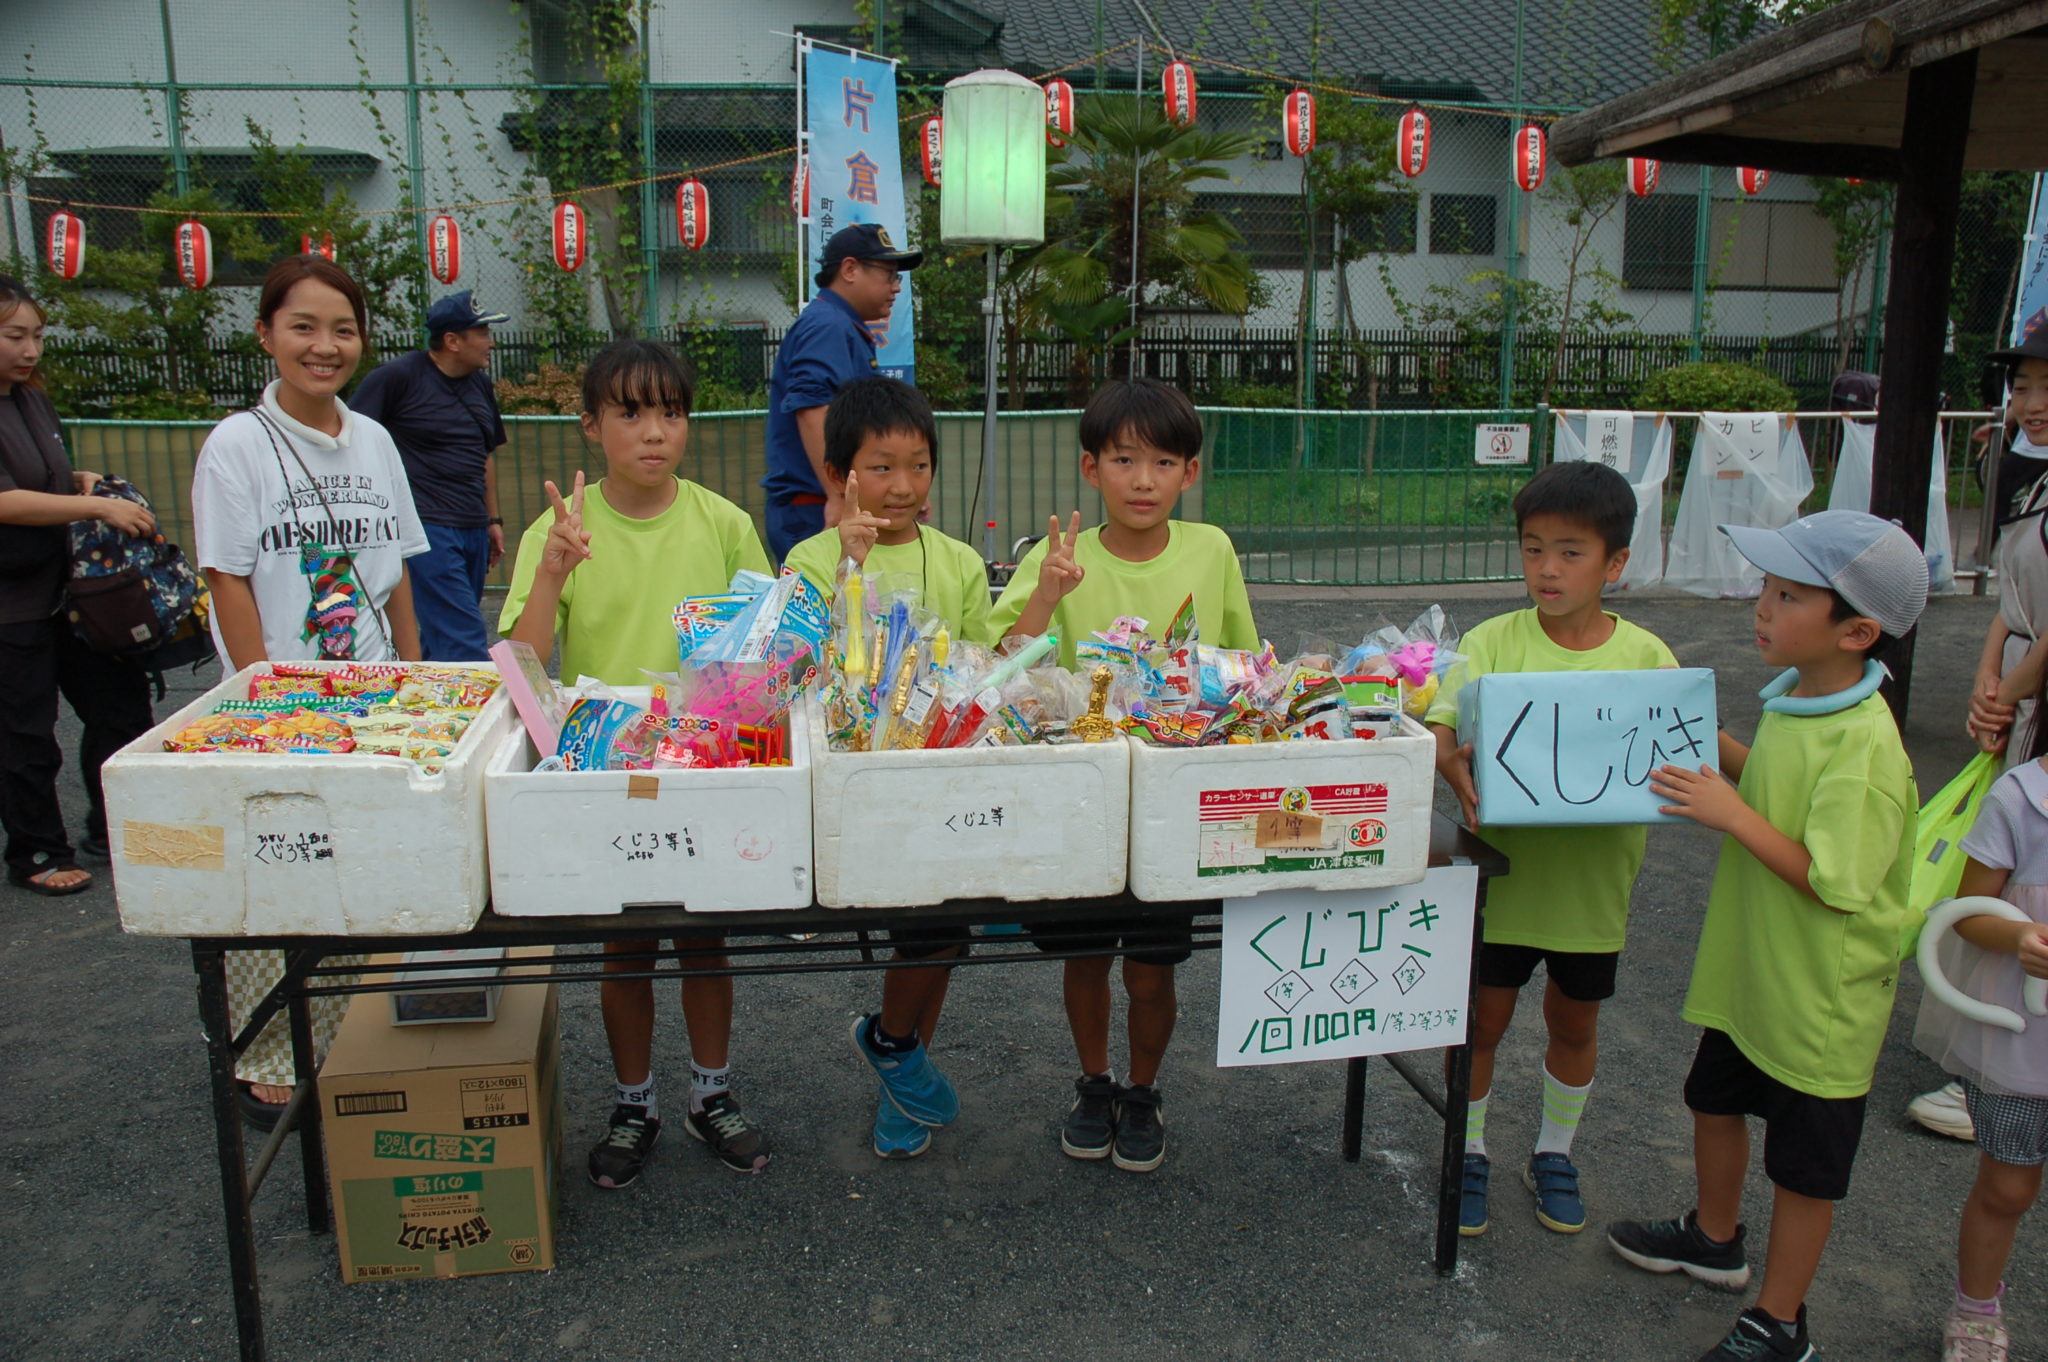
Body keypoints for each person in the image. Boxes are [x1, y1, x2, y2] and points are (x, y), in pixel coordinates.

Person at [1609, 510, 1927, 1362]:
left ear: (1857, 631)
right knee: (1712, 1100)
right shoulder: (1802, 701)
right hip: (1758, 973)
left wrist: (1731, 813)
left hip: (1819, 1001)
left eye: (1788, 596)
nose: (1761, 607)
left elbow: (1835, 879)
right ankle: (1716, 1239)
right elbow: (1778, 781)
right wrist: (1716, 753)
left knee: (1804, 1168)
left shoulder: (1864, 748)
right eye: (1765, 589)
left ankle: (1782, 1321)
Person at [500, 337, 774, 1185]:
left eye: (671, 412)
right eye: (631, 413)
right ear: (591, 427)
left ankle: (710, 1092)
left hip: (704, 762)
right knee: (624, 946)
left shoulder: (724, 523)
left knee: (705, 938)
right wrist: (550, 572)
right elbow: (524, 662)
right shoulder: (563, 528)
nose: (654, 432)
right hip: (600, 767)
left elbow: (765, 651)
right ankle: (634, 1101)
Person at [988, 377, 1257, 1173]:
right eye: (1124, 460)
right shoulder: (1055, 555)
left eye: (1164, 462)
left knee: (1152, 962)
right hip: (1083, 790)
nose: (1143, 481)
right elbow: (1002, 667)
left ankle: (1143, 1088)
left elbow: (1246, 662)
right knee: (1084, 955)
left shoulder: (1210, 551)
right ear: (1089, 468)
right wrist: (1044, 596)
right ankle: (1094, 1080)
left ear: (1190, 474)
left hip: (1172, 794)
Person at [190, 254, 427, 1122]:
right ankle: (269, 1049)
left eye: (343, 330)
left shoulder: (373, 439)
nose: (324, 347)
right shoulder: (236, 446)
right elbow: (228, 580)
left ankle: (351, 1027)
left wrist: (413, 673)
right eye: (304, 327)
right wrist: (264, 696)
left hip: (378, 701)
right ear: (265, 335)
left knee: (366, 867)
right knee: (279, 873)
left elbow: (395, 568)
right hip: (283, 708)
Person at [1426, 461, 1679, 1237]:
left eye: (1571, 552)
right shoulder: (1490, 642)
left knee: (1575, 1024)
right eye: (1533, 549)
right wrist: (1443, 750)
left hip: (1593, 888)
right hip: (1501, 881)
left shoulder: (1647, 659)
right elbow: (1440, 719)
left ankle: (1554, 1151)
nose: (1547, 568)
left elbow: (1677, 749)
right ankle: (1467, 1151)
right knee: (1481, 1023)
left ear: (1616, 563)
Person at [783, 376, 992, 1159]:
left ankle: (899, 1067)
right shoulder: (809, 556)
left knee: (940, 927)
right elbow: (803, 669)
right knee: (931, 932)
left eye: (918, 465)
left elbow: (979, 664)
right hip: (851, 786)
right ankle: (895, 1048)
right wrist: (849, 571)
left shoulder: (961, 561)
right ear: (841, 474)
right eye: (880, 466)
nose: (902, 486)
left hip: (938, 778)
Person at [0, 274, 157, 898]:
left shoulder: (28, 398)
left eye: (36, 335)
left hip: (72, 591)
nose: (30, 348)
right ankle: (36, 850)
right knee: (26, 734)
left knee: (121, 707)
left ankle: (108, 825)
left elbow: (39, 474)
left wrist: (78, 480)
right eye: (14, 336)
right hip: (11, 603)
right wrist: (94, 510)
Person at [1932, 332, 2048, 1144]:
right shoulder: (2030, 479)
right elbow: (2015, 601)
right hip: (2020, 690)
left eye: (2046, 387)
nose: (2029, 404)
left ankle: (2009, 1063)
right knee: (2003, 868)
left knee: (2019, 875)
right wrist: (1987, 676)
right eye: (2024, 386)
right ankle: (1986, 1059)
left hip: (2035, 700)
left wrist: (2004, 694)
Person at [1911, 680, 2048, 1362]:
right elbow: (1971, 909)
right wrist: (2022, 939)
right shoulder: (2021, 798)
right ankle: (1976, 1310)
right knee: (2009, 1182)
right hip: (2025, 1038)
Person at [347, 289, 510, 660]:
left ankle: (420, 702)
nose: (491, 342)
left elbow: (485, 454)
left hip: (472, 525)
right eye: (482, 332)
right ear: (452, 340)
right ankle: (484, 713)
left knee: (442, 635)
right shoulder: (397, 378)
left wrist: (492, 518)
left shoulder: (479, 384)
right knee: (464, 637)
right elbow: (353, 438)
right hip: (427, 528)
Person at [761, 222, 923, 561]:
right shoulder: (828, 327)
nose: (896, 287)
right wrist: (836, 495)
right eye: (889, 274)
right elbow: (812, 409)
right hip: (815, 508)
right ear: (850, 269)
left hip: (822, 503)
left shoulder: (839, 324)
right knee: (827, 610)